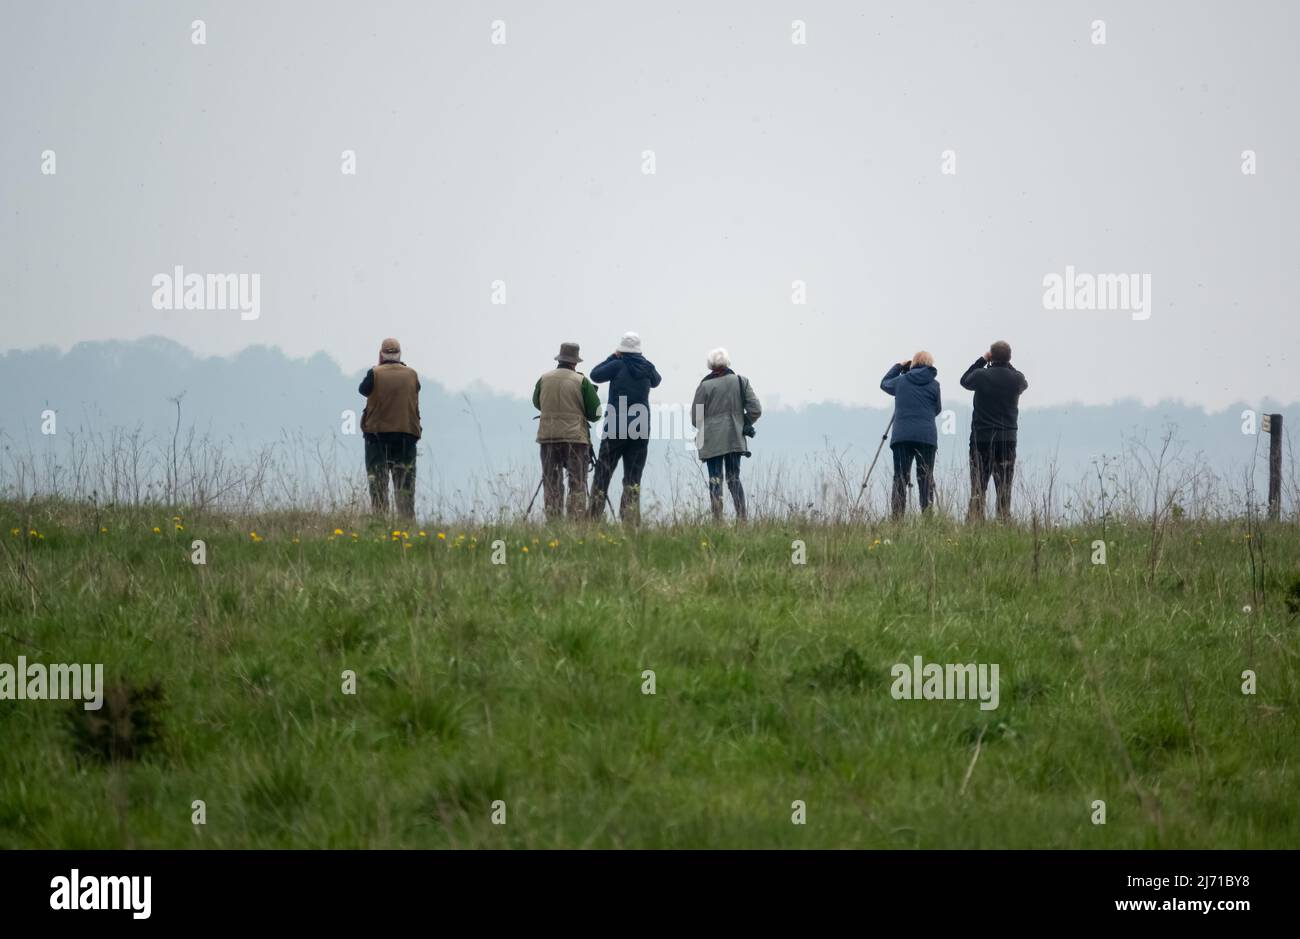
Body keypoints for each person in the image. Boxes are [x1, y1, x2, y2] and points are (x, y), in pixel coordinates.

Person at [589, 332, 661, 524]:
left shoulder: (616, 364)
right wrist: (641, 359)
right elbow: (657, 380)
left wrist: (613, 356)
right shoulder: (647, 367)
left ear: (621, 349)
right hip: (640, 429)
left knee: (602, 475)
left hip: (615, 428)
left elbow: (595, 374)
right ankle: (630, 522)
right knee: (632, 478)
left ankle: (593, 518)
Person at [960, 340, 1028, 521]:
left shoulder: (981, 375)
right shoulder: (1016, 379)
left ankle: (975, 520)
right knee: (1004, 487)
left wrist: (982, 360)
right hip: (1007, 439)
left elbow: (964, 380)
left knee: (978, 486)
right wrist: (1006, 364)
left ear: (991, 356)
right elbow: (1024, 383)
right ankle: (1003, 520)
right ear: (1009, 357)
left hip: (981, 438)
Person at [533, 342, 601, 521]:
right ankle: (576, 522)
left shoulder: (544, 378)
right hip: (575, 440)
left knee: (551, 481)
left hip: (548, 437)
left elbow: (536, 403)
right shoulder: (581, 381)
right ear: (575, 362)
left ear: (560, 359)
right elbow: (596, 414)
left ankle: (554, 520)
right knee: (577, 482)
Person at [691, 348, 761, 521]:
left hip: (712, 441)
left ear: (710, 365)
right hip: (734, 438)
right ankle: (742, 518)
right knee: (733, 478)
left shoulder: (704, 386)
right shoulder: (741, 381)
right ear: (727, 363)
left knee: (715, 480)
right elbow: (756, 410)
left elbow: (695, 419)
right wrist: (743, 423)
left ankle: (717, 521)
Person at [358, 337, 421, 519]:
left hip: (377, 437)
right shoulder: (412, 374)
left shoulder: (374, 373)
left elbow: (363, 390)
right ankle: (407, 522)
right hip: (406, 435)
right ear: (400, 354)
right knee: (405, 484)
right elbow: (416, 390)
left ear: (381, 354)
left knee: (378, 482)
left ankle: (380, 520)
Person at [879, 351, 942, 519]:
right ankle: (927, 518)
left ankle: (897, 519)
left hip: (902, 437)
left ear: (912, 364)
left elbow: (884, 384)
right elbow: (937, 409)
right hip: (926, 437)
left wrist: (899, 366)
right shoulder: (935, 385)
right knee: (925, 478)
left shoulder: (901, 381)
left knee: (900, 477)